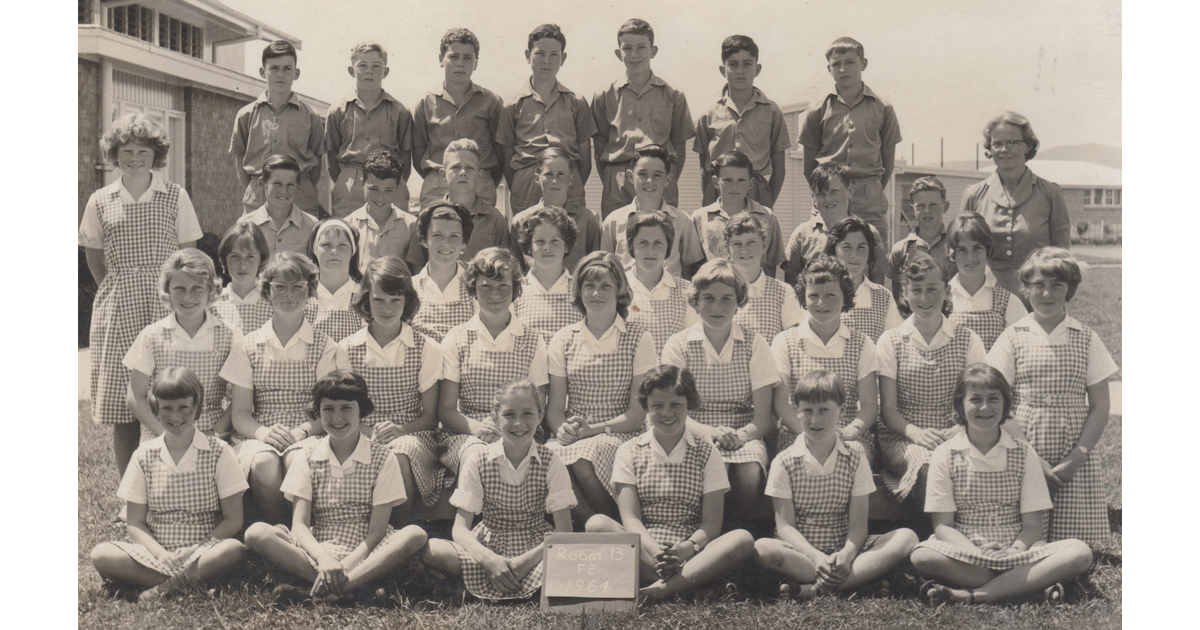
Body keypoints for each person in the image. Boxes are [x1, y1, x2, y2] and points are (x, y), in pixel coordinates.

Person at [81, 112, 203, 481]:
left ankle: (178, 479)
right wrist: (121, 286)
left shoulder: (174, 195)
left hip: (165, 303)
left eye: (143, 151)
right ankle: (130, 489)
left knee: (170, 389)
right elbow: (94, 256)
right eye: (126, 151)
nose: (134, 158)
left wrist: (166, 290)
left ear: (157, 155)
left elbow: (188, 255)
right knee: (125, 402)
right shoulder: (101, 200)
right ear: (114, 154)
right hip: (118, 306)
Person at [909, 364, 1093, 605]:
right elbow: (943, 526)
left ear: (1006, 405)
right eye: (975, 399)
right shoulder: (944, 454)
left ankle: (973, 595)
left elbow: (1034, 526)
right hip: (966, 551)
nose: (985, 407)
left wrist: (1012, 552)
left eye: (994, 399)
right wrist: (978, 554)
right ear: (960, 406)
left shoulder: (1024, 453)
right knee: (922, 556)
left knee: (1080, 552)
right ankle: (1028, 583)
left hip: (1019, 550)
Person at [245, 371, 428, 603]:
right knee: (256, 533)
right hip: (321, 543)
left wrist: (345, 565)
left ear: (361, 410)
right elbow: (299, 526)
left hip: (367, 548)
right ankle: (350, 590)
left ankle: (328, 589)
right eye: (328, 409)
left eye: (346, 408)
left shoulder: (383, 458)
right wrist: (324, 559)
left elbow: (377, 533)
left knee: (415, 534)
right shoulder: (307, 455)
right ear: (318, 412)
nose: (337, 417)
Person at [585, 365, 755, 603]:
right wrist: (656, 552)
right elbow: (631, 519)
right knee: (596, 525)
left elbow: (712, 524)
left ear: (689, 406)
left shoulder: (707, 453)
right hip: (645, 551)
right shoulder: (629, 451)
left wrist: (687, 548)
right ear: (646, 407)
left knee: (742, 539)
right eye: (657, 406)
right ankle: (686, 586)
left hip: (693, 552)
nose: (667, 413)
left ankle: (657, 591)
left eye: (676, 405)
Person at [987, 248, 1117, 545]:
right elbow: (998, 401)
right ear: (1026, 288)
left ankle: (1069, 553)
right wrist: (1031, 458)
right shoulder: (1013, 336)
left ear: (1069, 290)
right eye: (1038, 285)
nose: (1046, 294)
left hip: (1072, 447)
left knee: (1074, 542)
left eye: (1056, 285)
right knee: (1026, 531)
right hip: (1023, 442)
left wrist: (1077, 456)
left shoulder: (1086, 337)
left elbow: (1100, 406)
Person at [754, 370, 917, 599]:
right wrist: (817, 557)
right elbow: (785, 528)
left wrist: (848, 554)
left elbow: (859, 526)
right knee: (762, 548)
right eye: (807, 411)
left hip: (844, 548)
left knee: (906, 537)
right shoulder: (784, 461)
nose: (815, 420)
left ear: (840, 408)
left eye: (824, 410)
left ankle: (814, 590)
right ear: (797, 411)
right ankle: (854, 582)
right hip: (802, 553)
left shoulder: (855, 457)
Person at [91, 368, 247, 603]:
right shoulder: (144, 454)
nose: (175, 416)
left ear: (197, 408)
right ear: (156, 410)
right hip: (156, 552)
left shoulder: (219, 452)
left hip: (203, 551)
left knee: (232, 550)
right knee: (101, 554)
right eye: (167, 408)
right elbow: (135, 523)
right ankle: (190, 582)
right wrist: (160, 554)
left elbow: (234, 519)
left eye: (183, 407)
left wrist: (194, 549)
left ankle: (157, 590)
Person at [220, 252, 348, 524]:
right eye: (280, 287)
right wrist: (264, 433)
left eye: (298, 287)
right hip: (259, 432)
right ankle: (278, 529)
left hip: (310, 430)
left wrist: (302, 431)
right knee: (264, 464)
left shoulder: (325, 346)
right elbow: (240, 413)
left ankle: (300, 529)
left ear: (310, 290)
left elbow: (330, 409)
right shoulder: (248, 345)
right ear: (267, 291)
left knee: (297, 462)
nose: (289, 295)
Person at [423, 380, 575, 600]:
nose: (518, 423)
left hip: (535, 549)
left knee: (562, 558)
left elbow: (563, 532)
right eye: (509, 415)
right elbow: (460, 529)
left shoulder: (551, 461)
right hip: (489, 544)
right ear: (495, 417)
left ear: (540, 416)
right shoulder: (478, 460)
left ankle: (475, 589)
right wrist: (489, 560)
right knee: (433, 550)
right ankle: (515, 584)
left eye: (527, 414)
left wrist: (523, 563)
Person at [660, 260, 779, 519]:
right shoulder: (678, 345)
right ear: (696, 301)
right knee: (712, 465)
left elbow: (763, 417)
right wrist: (712, 433)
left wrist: (741, 436)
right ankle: (704, 534)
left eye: (727, 298)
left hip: (743, 433)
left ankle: (737, 532)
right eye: (709, 298)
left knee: (748, 468)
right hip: (691, 429)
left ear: (738, 302)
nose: (717, 307)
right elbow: (671, 410)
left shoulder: (754, 343)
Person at [546, 252, 657, 522]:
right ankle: (591, 531)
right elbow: (555, 409)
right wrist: (563, 429)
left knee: (586, 457)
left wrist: (594, 430)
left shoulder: (639, 338)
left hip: (620, 431)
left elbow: (637, 414)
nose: (597, 293)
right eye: (589, 286)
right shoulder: (563, 339)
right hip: (578, 432)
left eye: (605, 286)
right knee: (550, 457)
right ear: (579, 291)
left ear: (619, 290)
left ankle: (613, 523)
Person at [340, 257, 445, 525]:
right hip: (360, 431)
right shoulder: (347, 349)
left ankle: (400, 534)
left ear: (407, 301)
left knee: (398, 454)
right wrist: (368, 433)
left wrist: (400, 431)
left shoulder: (426, 347)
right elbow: (342, 412)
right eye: (379, 299)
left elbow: (431, 417)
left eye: (395, 300)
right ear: (366, 300)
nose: (387, 308)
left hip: (413, 435)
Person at [876, 252, 986, 506]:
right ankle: (931, 537)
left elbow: (979, 399)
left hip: (956, 432)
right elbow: (888, 410)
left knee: (967, 461)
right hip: (903, 437)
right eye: (916, 290)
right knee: (929, 465)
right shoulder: (891, 341)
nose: (925, 298)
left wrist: (961, 429)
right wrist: (914, 433)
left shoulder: (968, 339)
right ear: (905, 293)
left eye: (932, 289)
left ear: (947, 291)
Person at [438, 248, 549, 478]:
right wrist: (478, 428)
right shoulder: (456, 338)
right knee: (478, 457)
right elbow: (447, 409)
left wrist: (509, 430)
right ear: (473, 289)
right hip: (468, 433)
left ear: (515, 290)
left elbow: (538, 406)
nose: (494, 295)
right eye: (485, 286)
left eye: (503, 286)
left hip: (521, 430)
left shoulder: (532, 339)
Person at [125, 249, 241, 442]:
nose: (188, 297)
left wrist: (215, 432)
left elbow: (240, 396)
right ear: (167, 291)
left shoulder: (229, 334)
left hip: (211, 431)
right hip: (161, 431)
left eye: (197, 288)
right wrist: (165, 434)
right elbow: (135, 396)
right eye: (179, 288)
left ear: (211, 290)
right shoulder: (152, 336)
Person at [772, 256, 878, 458]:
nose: (821, 303)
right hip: (798, 431)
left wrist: (850, 432)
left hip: (847, 434)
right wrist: (808, 434)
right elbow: (780, 402)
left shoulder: (862, 343)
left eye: (831, 295)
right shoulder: (785, 341)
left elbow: (869, 404)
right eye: (813, 295)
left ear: (845, 297)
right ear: (803, 297)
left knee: (854, 456)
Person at [798, 37, 901, 246]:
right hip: (830, 197)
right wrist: (825, 192)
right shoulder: (818, 110)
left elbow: (887, 163)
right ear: (829, 68)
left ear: (863, 64)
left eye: (850, 62)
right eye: (837, 64)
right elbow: (808, 166)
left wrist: (868, 188)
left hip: (869, 201)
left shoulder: (883, 108)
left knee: (874, 262)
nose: (843, 69)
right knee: (824, 261)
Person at [961, 112, 1072, 297]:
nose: (1004, 149)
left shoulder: (1050, 193)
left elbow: (1062, 257)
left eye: (1013, 143)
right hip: (986, 294)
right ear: (990, 148)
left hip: (1036, 295)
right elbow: (962, 252)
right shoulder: (973, 195)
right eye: (997, 144)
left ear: (1028, 146)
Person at [592, 18, 694, 217]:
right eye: (627, 48)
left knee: (661, 237)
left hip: (658, 176)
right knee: (618, 238)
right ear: (618, 53)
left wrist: (666, 178)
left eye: (641, 47)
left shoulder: (673, 96)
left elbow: (679, 149)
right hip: (619, 179)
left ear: (653, 51)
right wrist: (614, 179)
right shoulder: (604, 96)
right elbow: (600, 148)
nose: (634, 55)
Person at [497, 23, 596, 214]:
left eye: (554, 55)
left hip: (568, 183)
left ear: (563, 58)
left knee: (568, 238)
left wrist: (570, 183)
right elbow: (507, 159)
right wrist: (520, 184)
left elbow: (585, 159)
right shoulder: (512, 105)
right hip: (526, 185)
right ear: (528, 55)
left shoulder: (577, 102)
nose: (547, 61)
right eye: (540, 53)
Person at [693, 36, 790, 208]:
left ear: (757, 69)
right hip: (718, 192)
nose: (740, 70)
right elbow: (704, 169)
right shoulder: (709, 113)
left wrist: (766, 203)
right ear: (723, 70)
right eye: (733, 64)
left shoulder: (772, 111)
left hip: (756, 192)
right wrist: (710, 197)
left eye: (747, 64)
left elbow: (779, 168)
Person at [413, 28, 504, 208]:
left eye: (467, 58)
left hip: (479, 185)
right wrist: (441, 176)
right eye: (453, 57)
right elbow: (418, 153)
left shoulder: (491, 102)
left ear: (476, 63)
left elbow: (500, 152)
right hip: (437, 185)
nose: (460, 63)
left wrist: (482, 180)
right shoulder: (425, 103)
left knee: (479, 234)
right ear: (441, 59)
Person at [230, 40, 324, 214]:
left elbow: (317, 163)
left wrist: (301, 187)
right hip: (258, 196)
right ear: (262, 72)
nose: (280, 74)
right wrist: (257, 187)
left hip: (300, 198)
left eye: (287, 68)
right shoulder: (246, 115)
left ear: (296, 73)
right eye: (274, 68)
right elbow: (239, 158)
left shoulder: (311, 116)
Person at [326, 41, 413, 217]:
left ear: (385, 71)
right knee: (348, 238)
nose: (369, 71)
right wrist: (348, 180)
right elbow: (331, 159)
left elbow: (406, 159)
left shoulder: (400, 111)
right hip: (350, 186)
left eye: (376, 66)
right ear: (351, 71)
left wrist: (392, 184)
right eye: (362, 65)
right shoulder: (338, 110)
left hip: (389, 184)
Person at [599, 144, 705, 279]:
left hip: (670, 296)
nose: (649, 181)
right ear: (630, 177)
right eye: (642, 174)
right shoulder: (613, 221)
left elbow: (690, 267)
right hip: (628, 296)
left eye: (657, 175)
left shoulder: (682, 220)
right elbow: (606, 267)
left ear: (667, 179)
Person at [782, 163, 887, 286]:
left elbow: (877, 283)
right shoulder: (801, 235)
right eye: (821, 194)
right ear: (813, 198)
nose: (828, 199)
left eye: (834, 191)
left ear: (850, 190)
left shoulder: (869, 233)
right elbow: (791, 287)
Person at [691, 151, 785, 279]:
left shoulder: (766, 216)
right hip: (716, 291)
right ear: (715, 182)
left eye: (741, 180)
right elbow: (693, 265)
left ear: (750, 183)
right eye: (727, 180)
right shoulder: (700, 218)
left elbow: (772, 263)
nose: (734, 186)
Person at [509, 147, 602, 275]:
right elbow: (517, 270)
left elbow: (595, 265)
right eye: (548, 174)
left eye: (561, 174)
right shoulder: (521, 221)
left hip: (575, 291)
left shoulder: (587, 219)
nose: (554, 181)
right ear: (537, 178)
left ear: (571, 179)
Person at [945, 212, 1028, 351]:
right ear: (953, 253)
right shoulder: (943, 298)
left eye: (977, 248)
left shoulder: (1006, 302)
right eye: (962, 250)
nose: (970, 257)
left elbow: (1022, 348)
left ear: (987, 249)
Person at [624, 211, 698, 354]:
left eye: (658, 243)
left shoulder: (686, 291)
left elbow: (693, 346)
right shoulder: (618, 288)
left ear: (668, 246)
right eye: (643, 243)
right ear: (631, 246)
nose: (650, 250)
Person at [724, 214, 805, 342]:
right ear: (728, 250)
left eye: (751, 242)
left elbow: (793, 342)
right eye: (737, 244)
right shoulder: (718, 290)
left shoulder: (783, 292)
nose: (744, 250)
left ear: (764, 246)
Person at [344, 150, 425, 276]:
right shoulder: (348, 225)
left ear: (398, 187)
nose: (380, 197)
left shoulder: (412, 225)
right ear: (362, 183)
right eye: (373, 189)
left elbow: (416, 273)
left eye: (388, 190)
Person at [826, 216, 903, 342]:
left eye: (861, 247)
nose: (854, 255)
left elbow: (895, 343)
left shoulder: (883, 297)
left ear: (870, 252)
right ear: (834, 251)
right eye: (847, 247)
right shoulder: (821, 292)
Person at [512, 204, 584, 338]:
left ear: (566, 246)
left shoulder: (580, 289)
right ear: (529, 248)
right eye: (540, 241)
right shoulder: (516, 290)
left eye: (555, 241)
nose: (547, 247)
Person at [410, 202, 477, 342]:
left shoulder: (476, 286)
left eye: (454, 236)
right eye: (437, 235)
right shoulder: (410, 287)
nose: (446, 243)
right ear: (424, 240)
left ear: (463, 242)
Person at [437, 140, 514, 261]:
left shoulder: (496, 219)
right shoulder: (429, 217)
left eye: (470, 168)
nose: (463, 173)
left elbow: (503, 265)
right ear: (443, 175)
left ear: (479, 176)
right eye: (456, 167)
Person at [236, 155, 319, 257]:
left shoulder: (311, 225)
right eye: (277, 184)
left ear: (298, 187)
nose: (284, 191)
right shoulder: (245, 224)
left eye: (290, 185)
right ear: (262, 183)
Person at [887, 177, 951, 307]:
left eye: (933, 205)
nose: (927, 211)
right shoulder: (901, 249)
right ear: (912, 209)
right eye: (921, 206)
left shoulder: (955, 244)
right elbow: (897, 298)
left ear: (945, 207)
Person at [306, 219, 366, 342]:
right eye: (326, 245)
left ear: (352, 251)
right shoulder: (303, 294)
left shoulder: (364, 295)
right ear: (315, 250)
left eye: (342, 245)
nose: (334, 251)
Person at [212, 222, 274, 335]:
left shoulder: (273, 304)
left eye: (250, 257)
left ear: (261, 258)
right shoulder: (213, 304)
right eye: (235, 256)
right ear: (225, 259)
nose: (242, 265)